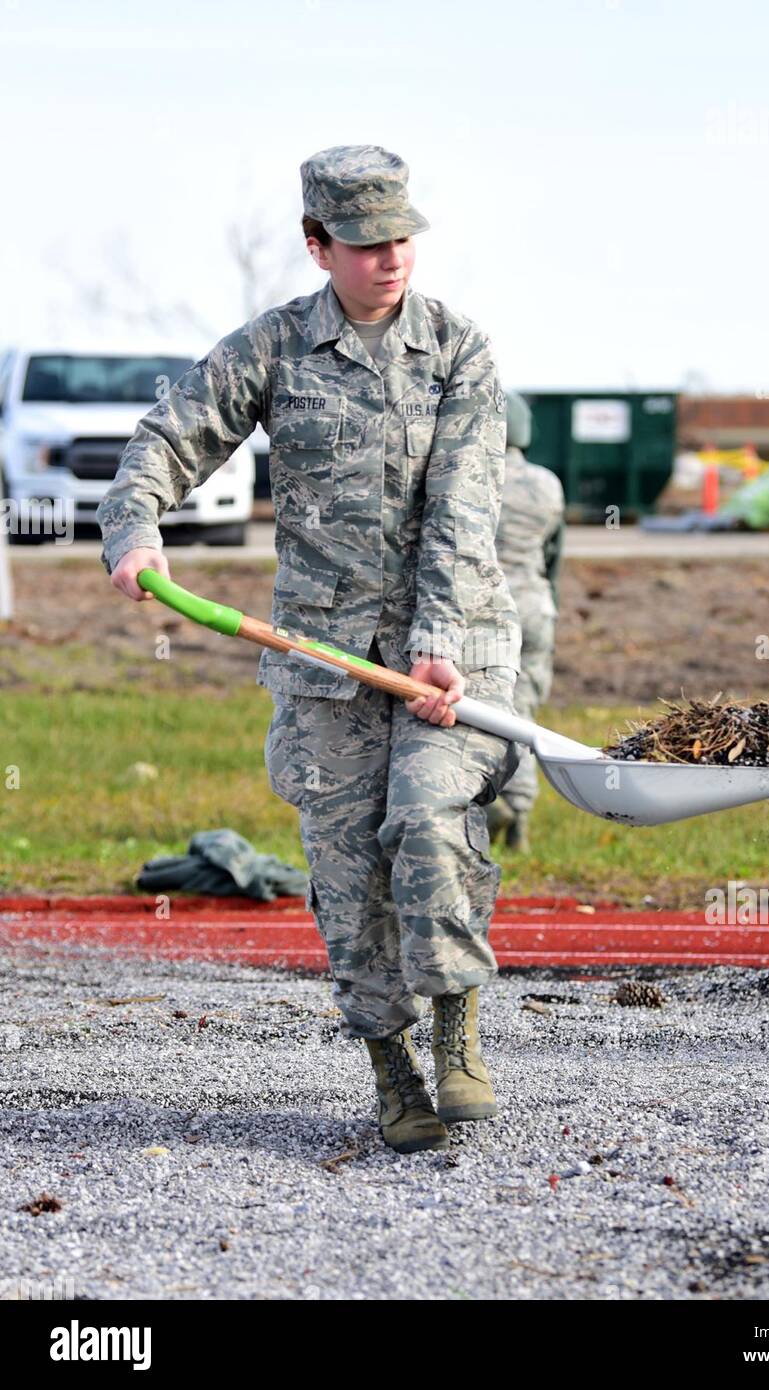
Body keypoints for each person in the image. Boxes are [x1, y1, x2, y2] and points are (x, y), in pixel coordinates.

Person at [97, 144, 523, 1156]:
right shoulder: (277, 347)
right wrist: (135, 527)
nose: (391, 258)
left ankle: (458, 1027)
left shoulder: (458, 348)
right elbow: (169, 437)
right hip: (324, 658)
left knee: (426, 823)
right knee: (343, 868)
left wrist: (436, 643)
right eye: (367, 242)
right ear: (317, 245)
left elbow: (465, 510)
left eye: (402, 238)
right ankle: (390, 1067)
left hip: (451, 647)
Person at [485, 390, 565, 852]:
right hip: (535, 607)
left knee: (475, 711)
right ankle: (520, 820)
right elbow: (554, 557)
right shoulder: (547, 484)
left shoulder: (470, 474)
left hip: (483, 609)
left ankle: (486, 801)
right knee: (523, 713)